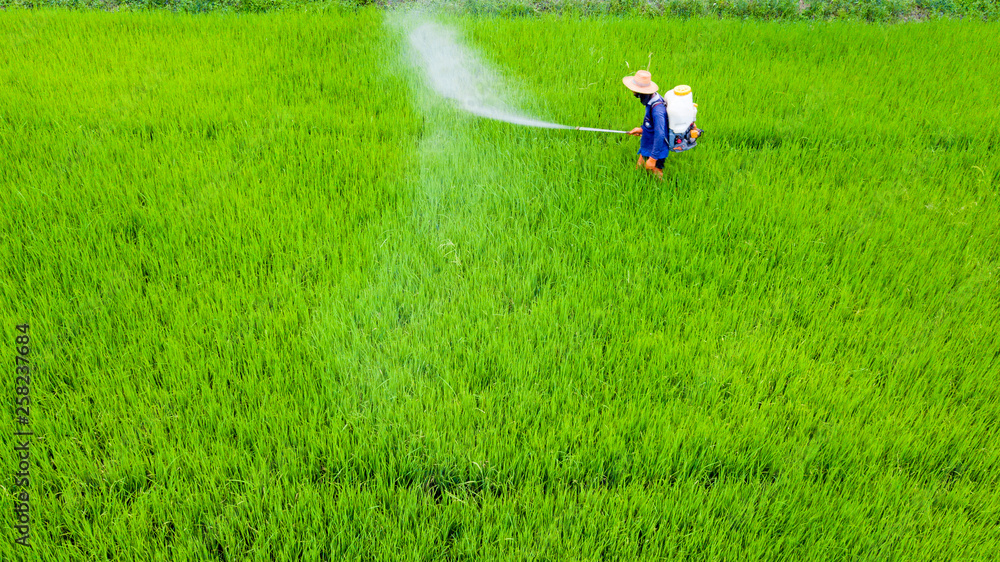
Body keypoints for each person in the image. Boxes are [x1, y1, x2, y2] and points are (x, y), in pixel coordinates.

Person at [623, 70, 668, 180]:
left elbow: (660, 134)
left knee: (657, 173)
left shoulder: (657, 110)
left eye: (635, 91)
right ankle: (636, 183)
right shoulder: (651, 100)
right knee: (639, 167)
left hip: (656, 147)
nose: (633, 92)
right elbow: (652, 124)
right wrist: (642, 129)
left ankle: (668, 190)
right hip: (648, 143)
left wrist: (653, 158)